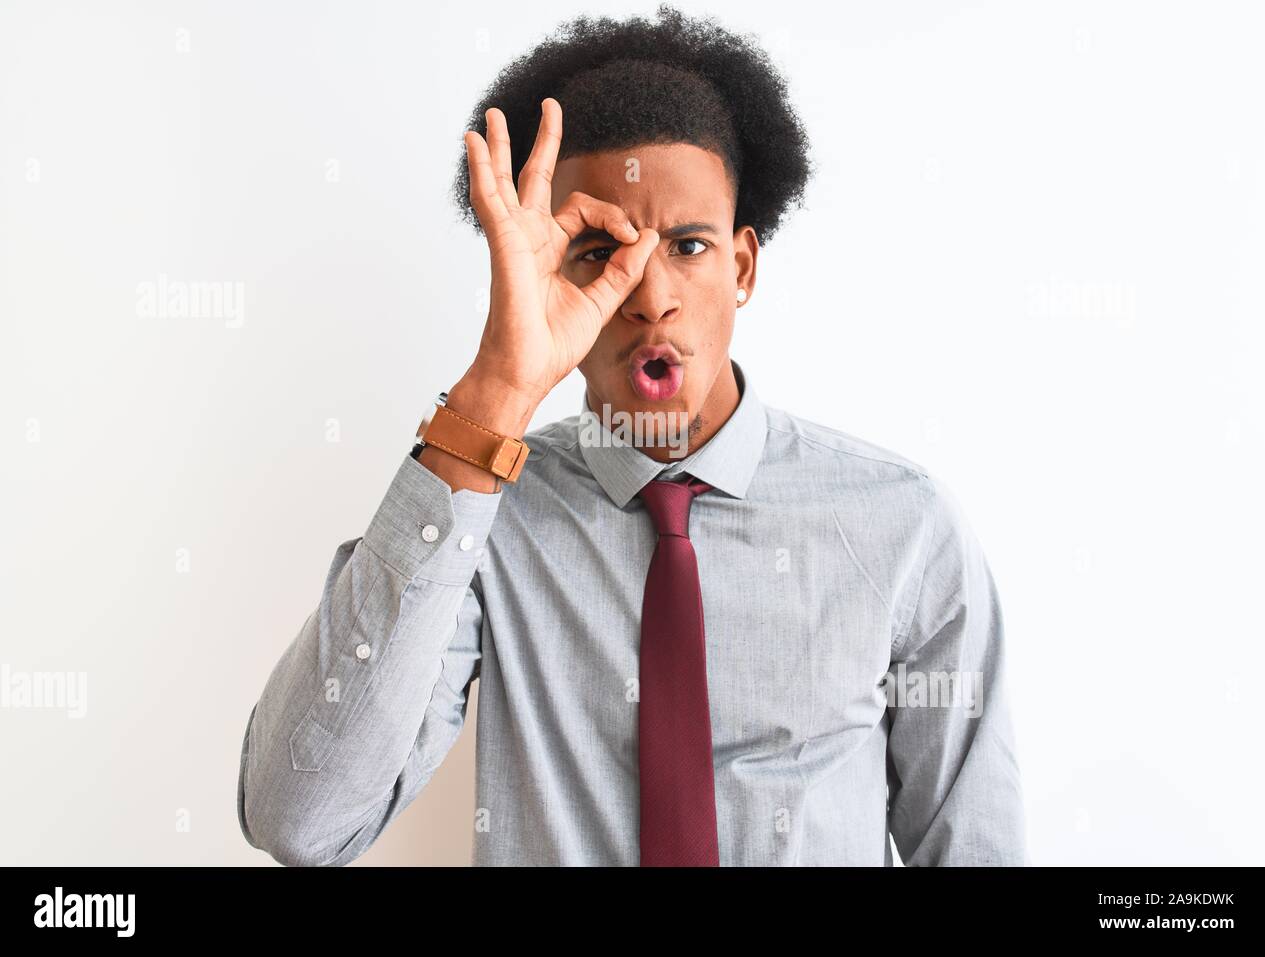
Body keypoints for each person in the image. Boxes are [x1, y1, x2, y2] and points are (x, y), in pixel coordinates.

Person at [237, 3, 1027, 867]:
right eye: (594, 253)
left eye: (688, 245)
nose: (650, 296)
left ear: (744, 266)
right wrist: (496, 392)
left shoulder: (902, 528)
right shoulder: (484, 524)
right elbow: (300, 821)